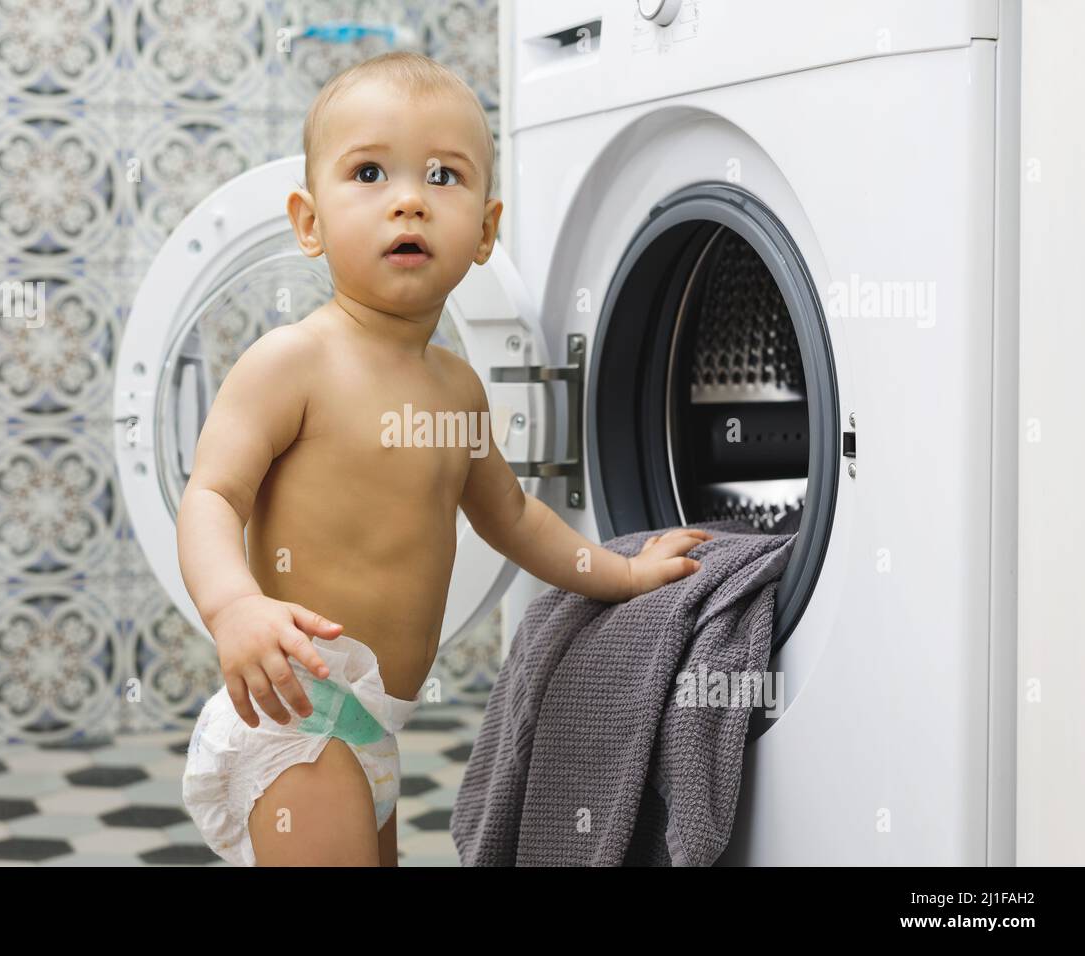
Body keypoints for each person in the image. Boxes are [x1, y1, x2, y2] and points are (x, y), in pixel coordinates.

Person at [178, 51, 711, 867]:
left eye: (442, 176)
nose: (408, 201)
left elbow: (513, 516)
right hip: (300, 711)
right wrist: (233, 610)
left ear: (487, 232)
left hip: (374, 724)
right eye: (368, 172)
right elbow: (212, 496)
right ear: (309, 222)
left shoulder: (457, 387)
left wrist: (624, 575)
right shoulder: (294, 362)